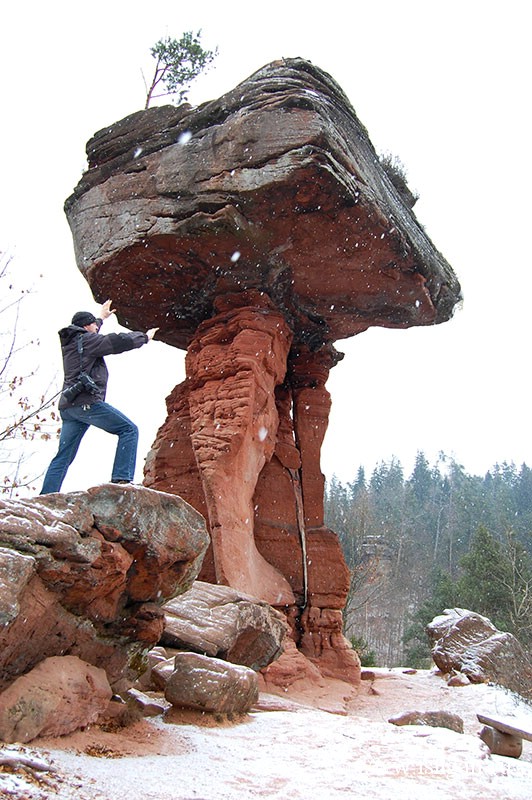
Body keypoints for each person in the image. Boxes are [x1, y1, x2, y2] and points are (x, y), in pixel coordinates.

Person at [41, 299, 158, 494]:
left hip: (69, 407)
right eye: (94, 325)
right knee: (129, 430)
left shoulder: (72, 342)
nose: (97, 327)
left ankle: (46, 496)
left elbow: (93, 333)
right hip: (86, 403)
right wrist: (144, 338)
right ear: (86, 326)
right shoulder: (87, 341)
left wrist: (101, 317)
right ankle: (121, 481)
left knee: (63, 457)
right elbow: (117, 341)